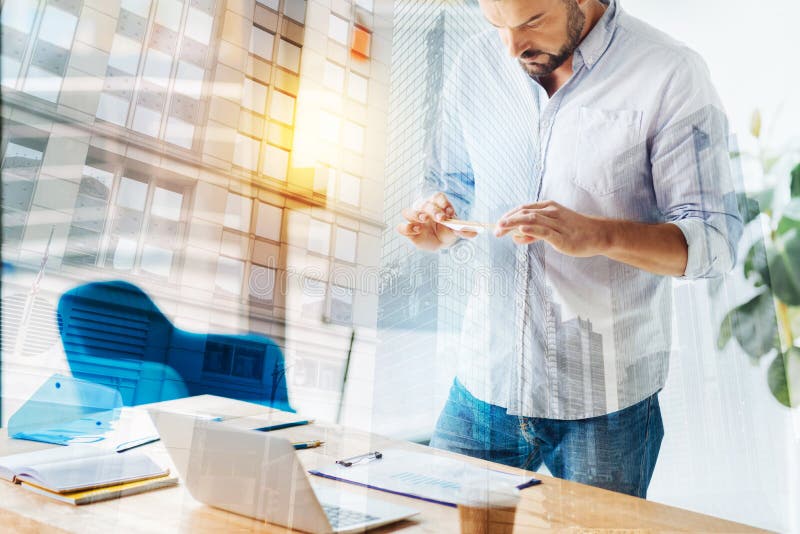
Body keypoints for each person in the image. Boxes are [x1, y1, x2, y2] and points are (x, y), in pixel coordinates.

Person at [396, 0, 742, 498]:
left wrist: (599, 234)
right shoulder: (475, 63)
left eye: (531, 21)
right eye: (497, 25)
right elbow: (453, 186)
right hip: (484, 383)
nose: (512, 47)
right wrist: (440, 226)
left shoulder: (670, 72)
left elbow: (714, 240)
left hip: (607, 403)